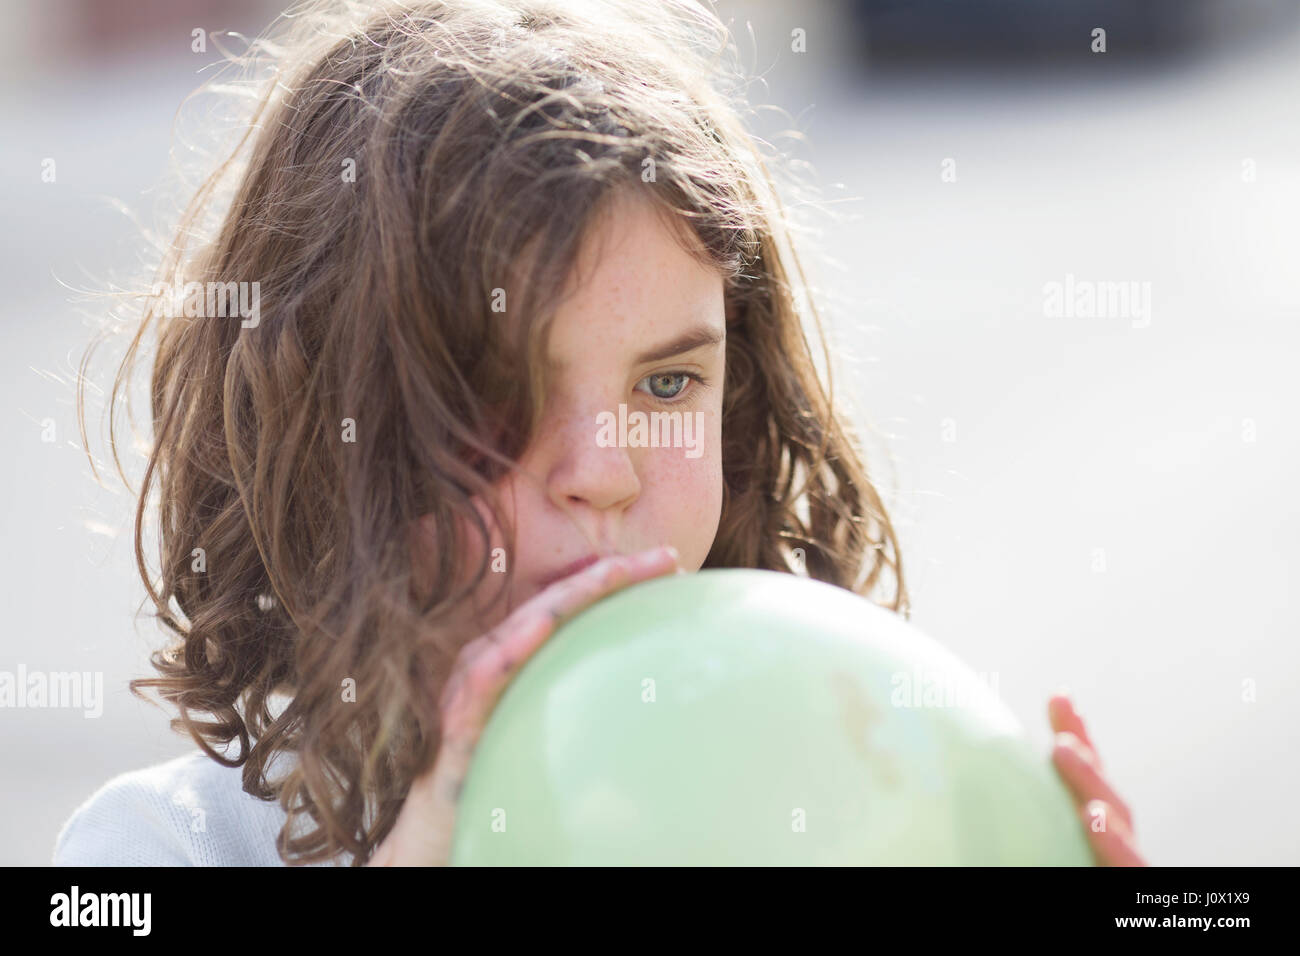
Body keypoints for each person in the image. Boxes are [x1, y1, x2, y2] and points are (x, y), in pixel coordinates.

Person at [55, 0, 1142, 867]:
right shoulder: (160, 846)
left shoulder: (832, 785)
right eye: (494, 393)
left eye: (667, 382)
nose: (604, 473)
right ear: (321, 435)